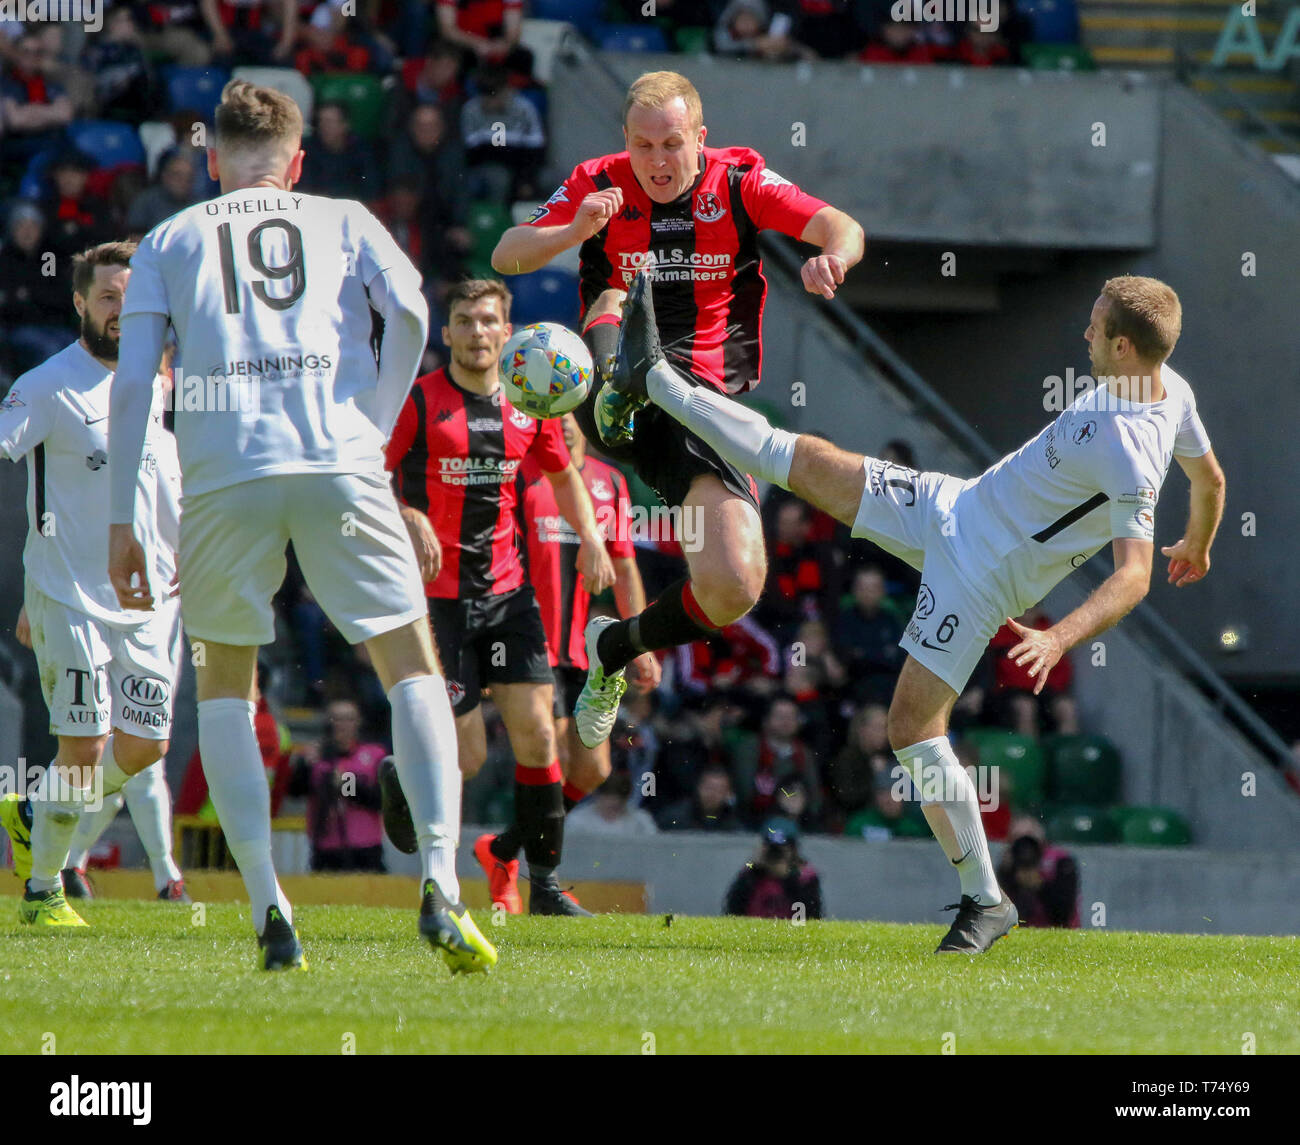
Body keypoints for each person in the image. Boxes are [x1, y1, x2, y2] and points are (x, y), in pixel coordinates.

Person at [611, 270, 1225, 953]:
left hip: (982, 574)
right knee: (806, 459)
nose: (1083, 332)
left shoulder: (1132, 447)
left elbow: (1135, 575)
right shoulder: (1170, 388)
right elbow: (1210, 478)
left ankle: (986, 900)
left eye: (1094, 324)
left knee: (910, 729)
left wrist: (1060, 640)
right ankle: (655, 376)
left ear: (1124, 348)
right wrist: (1197, 543)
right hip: (955, 503)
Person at [107, 80, 495, 974]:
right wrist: (376, 425)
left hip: (220, 477)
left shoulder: (168, 238)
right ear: (297, 163)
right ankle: (440, 882)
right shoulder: (346, 216)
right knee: (410, 666)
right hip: (339, 462)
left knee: (225, 692)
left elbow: (135, 385)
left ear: (211, 164)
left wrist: (126, 518)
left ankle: (269, 913)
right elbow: (411, 312)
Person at [490, 69, 864, 756]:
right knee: (612, 297)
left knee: (733, 586)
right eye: (642, 146)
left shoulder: (738, 181)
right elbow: (507, 253)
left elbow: (840, 224)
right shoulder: (597, 180)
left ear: (700, 137)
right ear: (624, 142)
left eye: (671, 144)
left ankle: (613, 648)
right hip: (626, 378)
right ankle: (623, 383)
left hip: (707, 409)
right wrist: (573, 229)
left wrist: (831, 258)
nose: (657, 161)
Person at [381, 278, 615, 916]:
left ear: (507, 333)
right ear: (447, 333)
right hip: (436, 605)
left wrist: (591, 539)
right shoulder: (420, 402)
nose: (478, 332)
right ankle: (403, 781)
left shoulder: (528, 405)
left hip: (510, 598)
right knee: (468, 755)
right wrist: (407, 513)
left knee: (540, 736)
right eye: (464, 320)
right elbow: (367, 479)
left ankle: (542, 886)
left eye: (489, 320)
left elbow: (565, 477)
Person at [0, 242, 185, 926]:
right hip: (69, 594)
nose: (121, 311)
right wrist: (30, 588)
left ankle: (33, 807)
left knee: (147, 746)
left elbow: (153, 483)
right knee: (84, 746)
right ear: (80, 302)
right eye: (108, 297)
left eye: (133, 299)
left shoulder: (154, 380)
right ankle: (43, 888)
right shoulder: (48, 383)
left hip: (142, 601)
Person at [475, 412, 660, 909]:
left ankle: (501, 849)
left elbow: (623, 566)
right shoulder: (519, 473)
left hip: (582, 652)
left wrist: (639, 640)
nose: (565, 420)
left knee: (594, 770)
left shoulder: (610, 484)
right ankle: (544, 888)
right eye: (551, 410)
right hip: (529, 644)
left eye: (574, 407)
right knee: (550, 758)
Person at [290, 699, 388, 872]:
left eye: (348, 719)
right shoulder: (317, 756)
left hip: (364, 846)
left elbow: (380, 800)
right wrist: (304, 766)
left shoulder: (374, 755)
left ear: (358, 722)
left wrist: (346, 783)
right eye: (336, 719)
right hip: (327, 846)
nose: (342, 725)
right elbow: (295, 792)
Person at [723, 818, 822, 919]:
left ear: (794, 850)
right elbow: (732, 913)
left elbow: (809, 918)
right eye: (772, 847)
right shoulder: (751, 874)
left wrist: (788, 879)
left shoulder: (805, 878)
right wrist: (754, 871)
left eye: (781, 848)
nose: (775, 853)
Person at [996, 817, 1080, 927]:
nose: (1026, 850)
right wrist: (1008, 876)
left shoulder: (1060, 861)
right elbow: (1005, 917)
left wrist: (1041, 886)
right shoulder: (1008, 866)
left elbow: (1063, 915)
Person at [565, 770, 659, 838]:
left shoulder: (641, 820)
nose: (613, 804)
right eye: (608, 801)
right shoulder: (576, 820)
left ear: (625, 799)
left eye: (617, 805)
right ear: (596, 795)